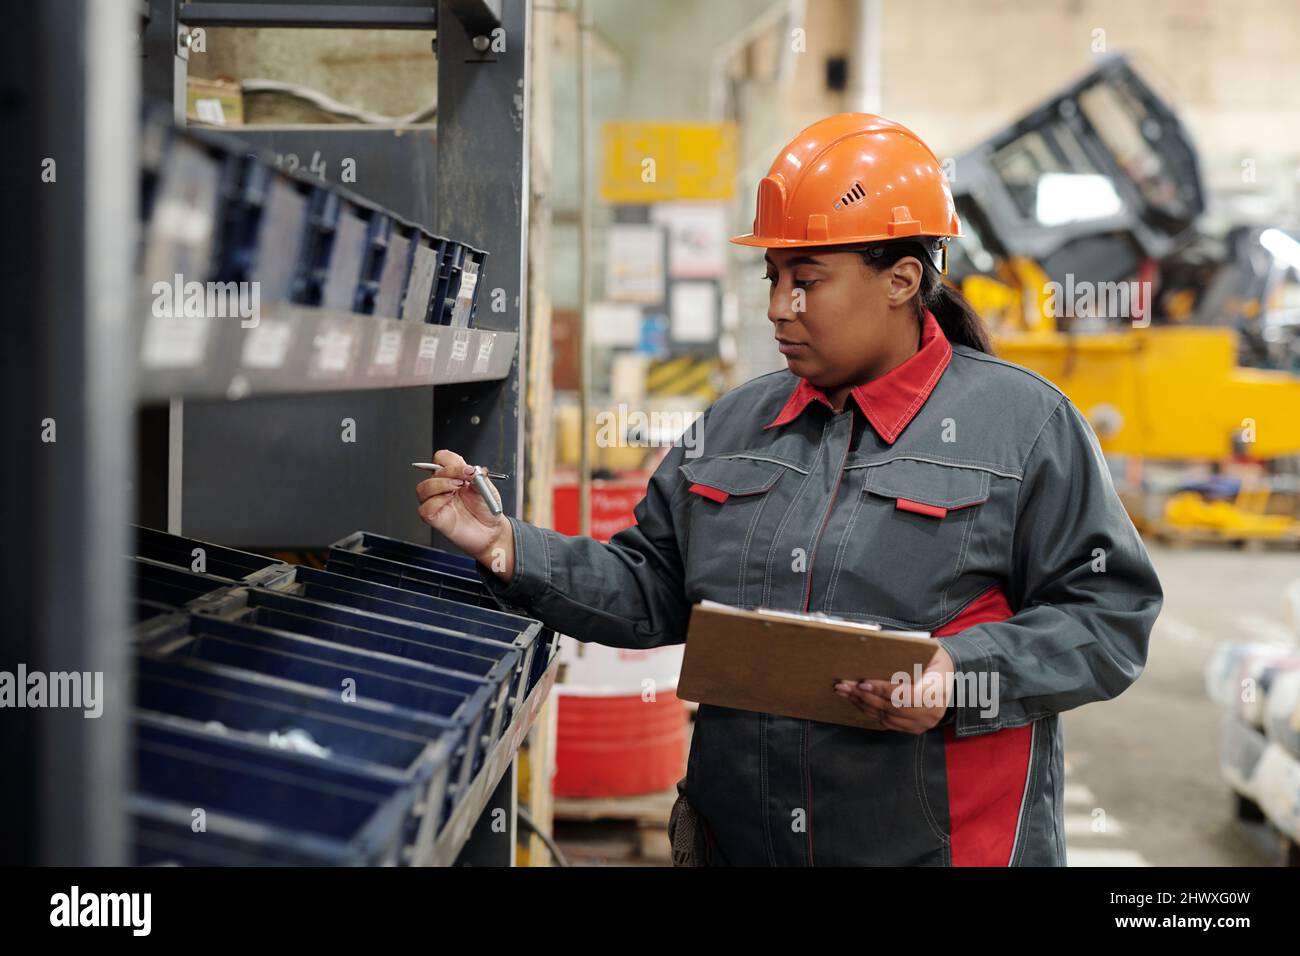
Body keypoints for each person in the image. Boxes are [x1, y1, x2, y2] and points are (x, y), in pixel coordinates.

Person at [416, 113, 1162, 866]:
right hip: (738, 841)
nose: (779, 306)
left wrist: (959, 677)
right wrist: (510, 547)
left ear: (902, 279)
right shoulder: (739, 423)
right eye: (773, 277)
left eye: (807, 281)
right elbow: (652, 587)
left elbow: (1108, 614)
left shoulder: (1025, 427)